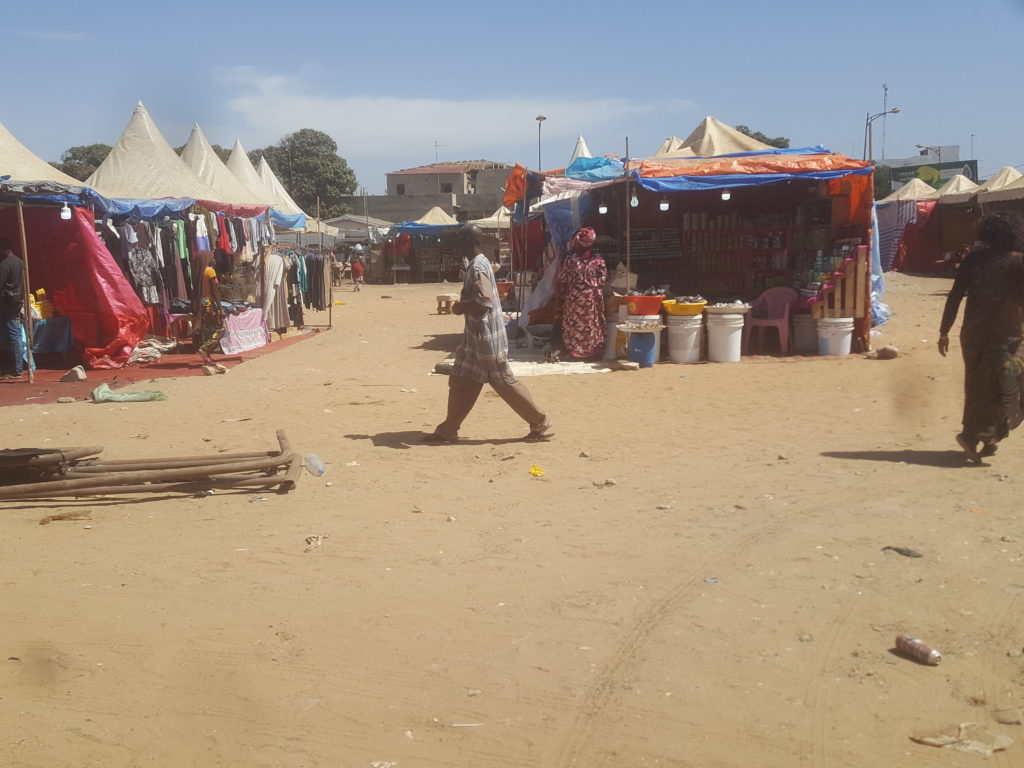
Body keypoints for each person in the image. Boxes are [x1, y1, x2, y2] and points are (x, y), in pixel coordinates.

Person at [425, 224, 552, 442]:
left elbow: (483, 303)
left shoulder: (477, 268)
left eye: (458, 241)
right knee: (461, 380)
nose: (455, 246)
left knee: (503, 381)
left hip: (486, 338)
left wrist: (460, 307)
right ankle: (448, 430)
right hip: (475, 338)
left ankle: (539, 422)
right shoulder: (478, 263)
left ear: (467, 242)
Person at [938, 213, 1024, 461]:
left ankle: (986, 436)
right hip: (1008, 337)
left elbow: (954, 296)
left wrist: (944, 331)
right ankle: (977, 435)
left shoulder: (973, 261)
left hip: (974, 335)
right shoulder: (1018, 262)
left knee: (978, 385)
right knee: (1006, 386)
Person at [558, 227, 608, 359]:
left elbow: (564, 278)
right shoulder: (575, 259)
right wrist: (592, 284)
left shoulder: (594, 259)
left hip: (586, 298)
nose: (587, 244)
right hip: (582, 298)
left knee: (588, 324)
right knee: (584, 325)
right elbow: (602, 278)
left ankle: (585, 351)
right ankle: (581, 352)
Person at [192, 250, 228, 374]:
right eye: (212, 257)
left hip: (203, 304)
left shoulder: (199, 272)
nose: (214, 259)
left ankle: (207, 359)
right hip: (211, 305)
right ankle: (204, 349)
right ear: (207, 259)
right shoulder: (210, 271)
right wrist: (221, 308)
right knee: (221, 330)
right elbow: (214, 292)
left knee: (208, 331)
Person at [0, 238, 25, 380]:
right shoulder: (20, 262)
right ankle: (15, 368)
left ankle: (16, 370)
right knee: (16, 336)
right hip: (16, 302)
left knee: (14, 336)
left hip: (8, 304)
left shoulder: (5, 264)